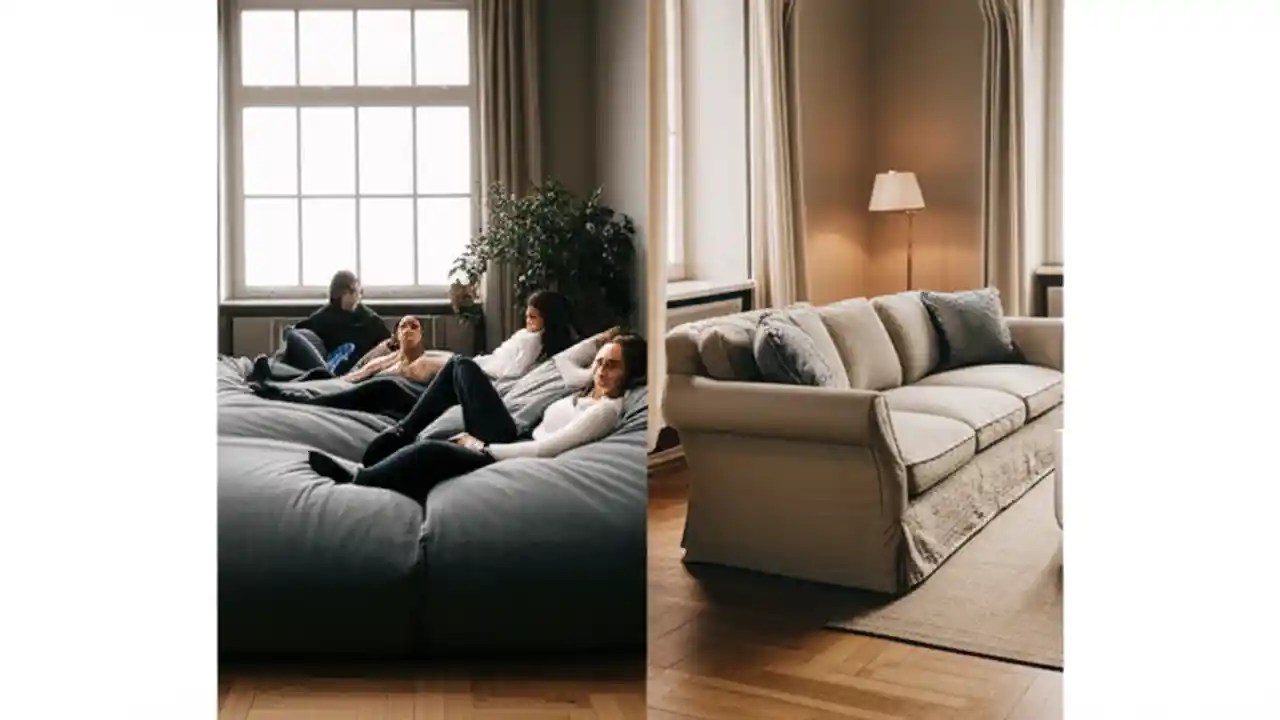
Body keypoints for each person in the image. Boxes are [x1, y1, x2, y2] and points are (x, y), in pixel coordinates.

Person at [306, 330, 647, 503]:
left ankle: (360, 478)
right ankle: (400, 434)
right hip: (513, 433)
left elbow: (548, 449)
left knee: (433, 449)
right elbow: (567, 361)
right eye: (599, 362)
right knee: (456, 367)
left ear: (630, 372)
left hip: (513, 447)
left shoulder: (605, 411)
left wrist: (483, 448)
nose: (601, 370)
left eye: (613, 365)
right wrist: (602, 339)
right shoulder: (584, 388)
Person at [251, 291, 579, 420]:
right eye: (527, 316)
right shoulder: (530, 341)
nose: (527, 322)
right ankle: (293, 389)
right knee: (375, 377)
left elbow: (506, 373)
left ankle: (291, 394)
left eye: (533, 317)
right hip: (459, 371)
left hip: (462, 378)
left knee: (381, 385)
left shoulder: (538, 349)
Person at [248, 270, 390, 382]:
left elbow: (389, 345)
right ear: (342, 294)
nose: (358, 297)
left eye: (359, 292)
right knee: (293, 335)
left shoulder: (370, 320)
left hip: (350, 372)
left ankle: (323, 377)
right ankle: (270, 367)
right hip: (323, 365)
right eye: (355, 292)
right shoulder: (326, 316)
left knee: (294, 340)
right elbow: (302, 336)